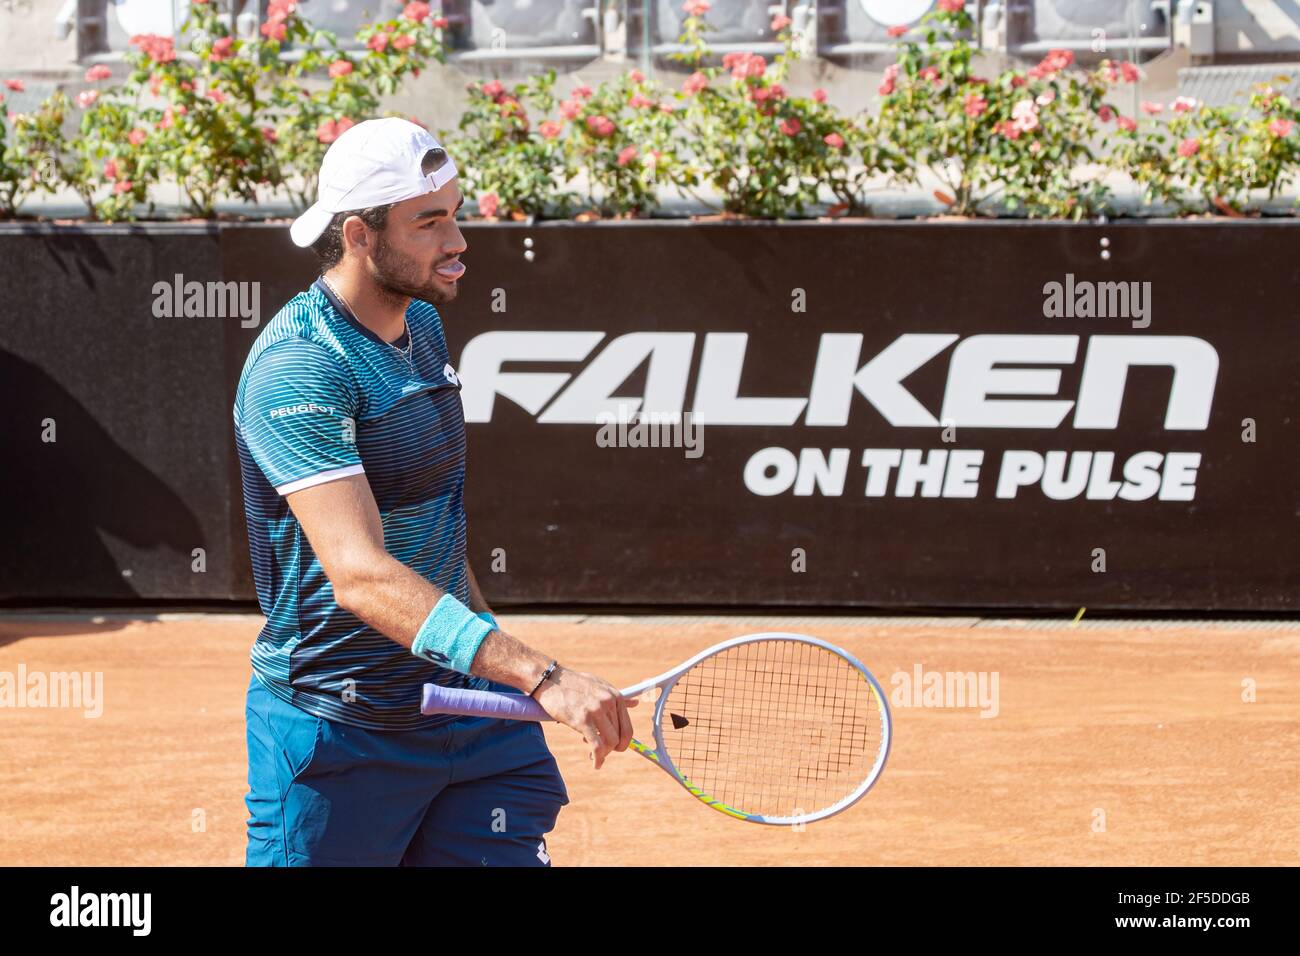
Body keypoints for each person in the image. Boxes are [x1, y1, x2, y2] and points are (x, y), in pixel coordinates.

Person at [233, 117, 636, 866]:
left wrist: (489, 653)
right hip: (341, 730)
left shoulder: (421, 324)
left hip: (468, 715)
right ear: (359, 235)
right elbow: (359, 574)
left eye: (456, 213)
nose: (458, 242)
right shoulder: (299, 368)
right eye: (430, 223)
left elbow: (436, 521)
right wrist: (540, 675)